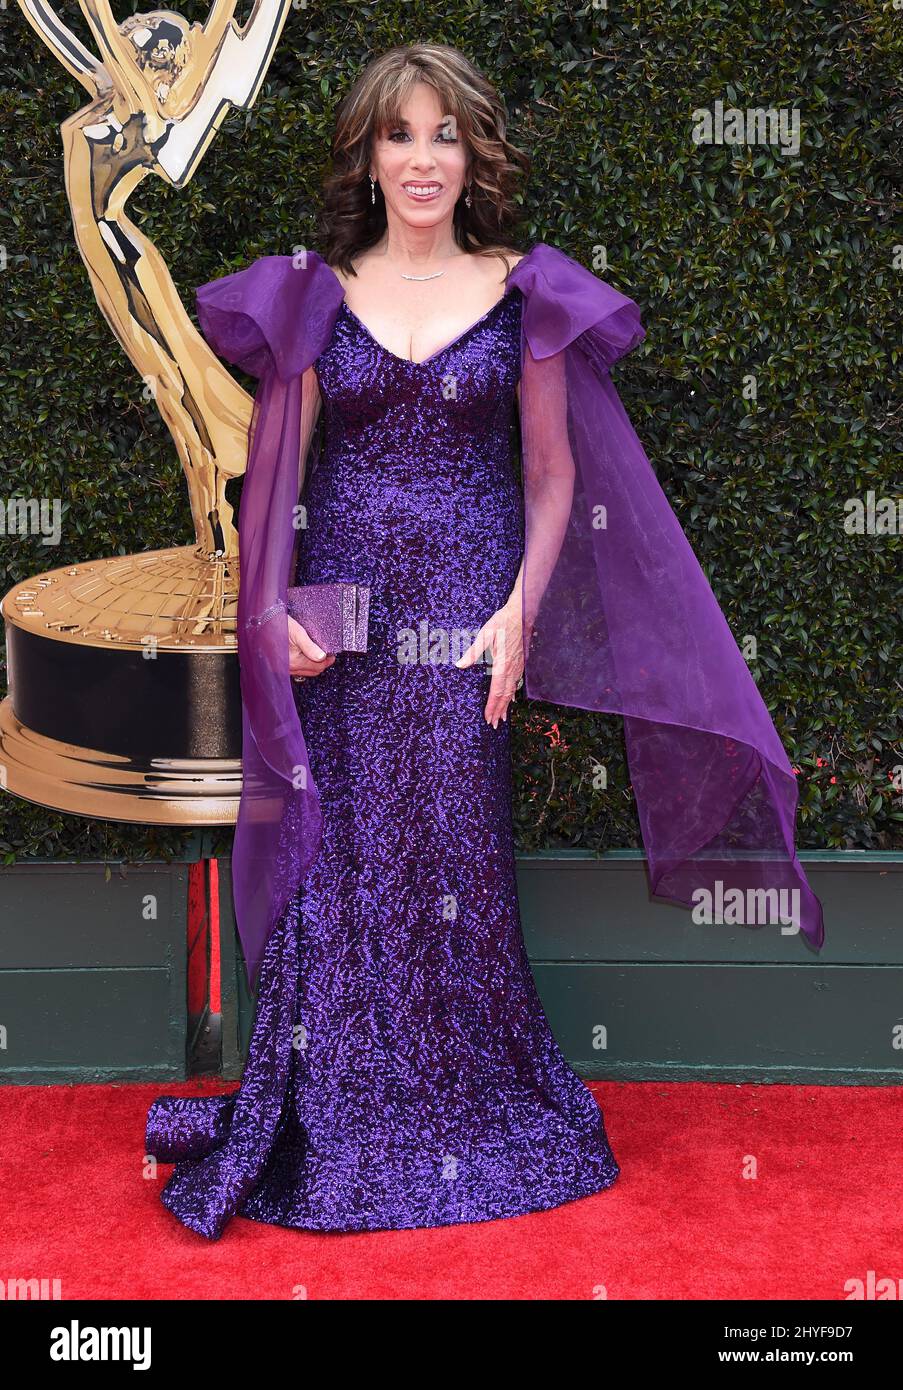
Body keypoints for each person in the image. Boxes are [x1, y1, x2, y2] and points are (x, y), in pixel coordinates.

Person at [146, 43, 823, 1240]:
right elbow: (278, 480)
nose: (423, 159)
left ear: (474, 155)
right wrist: (273, 615)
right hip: (347, 623)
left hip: (465, 616)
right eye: (400, 135)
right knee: (341, 854)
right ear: (368, 154)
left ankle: (464, 1097)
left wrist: (520, 610)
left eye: (445, 135)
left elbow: (553, 477)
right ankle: (337, 1102)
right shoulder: (313, 292)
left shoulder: (528, 291)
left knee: (450, 853)